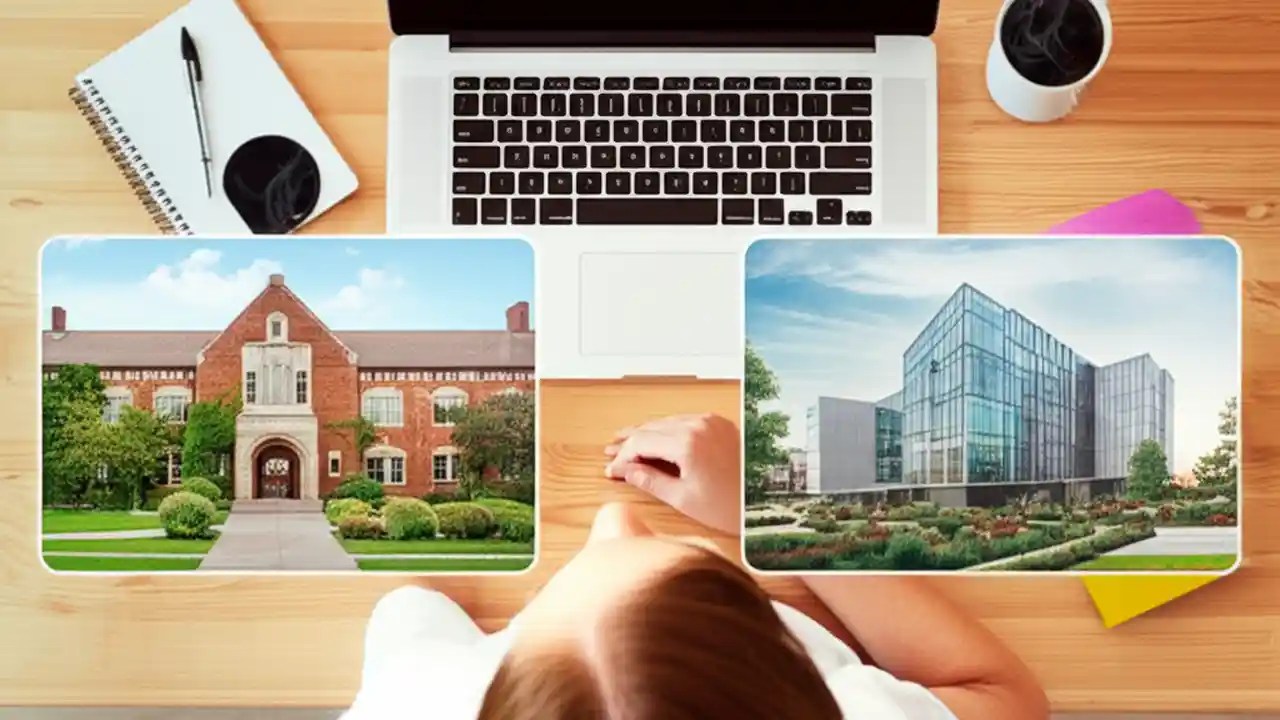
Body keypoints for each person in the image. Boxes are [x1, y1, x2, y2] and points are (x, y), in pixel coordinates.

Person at [344, 413, 1049, 720]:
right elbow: (1008, 696)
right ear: (800, 677)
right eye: (690, 562)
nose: (616, 519)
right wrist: (763, 516)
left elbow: (406, 609)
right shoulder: (855, 713)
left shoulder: (416, 696)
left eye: (585, 564)